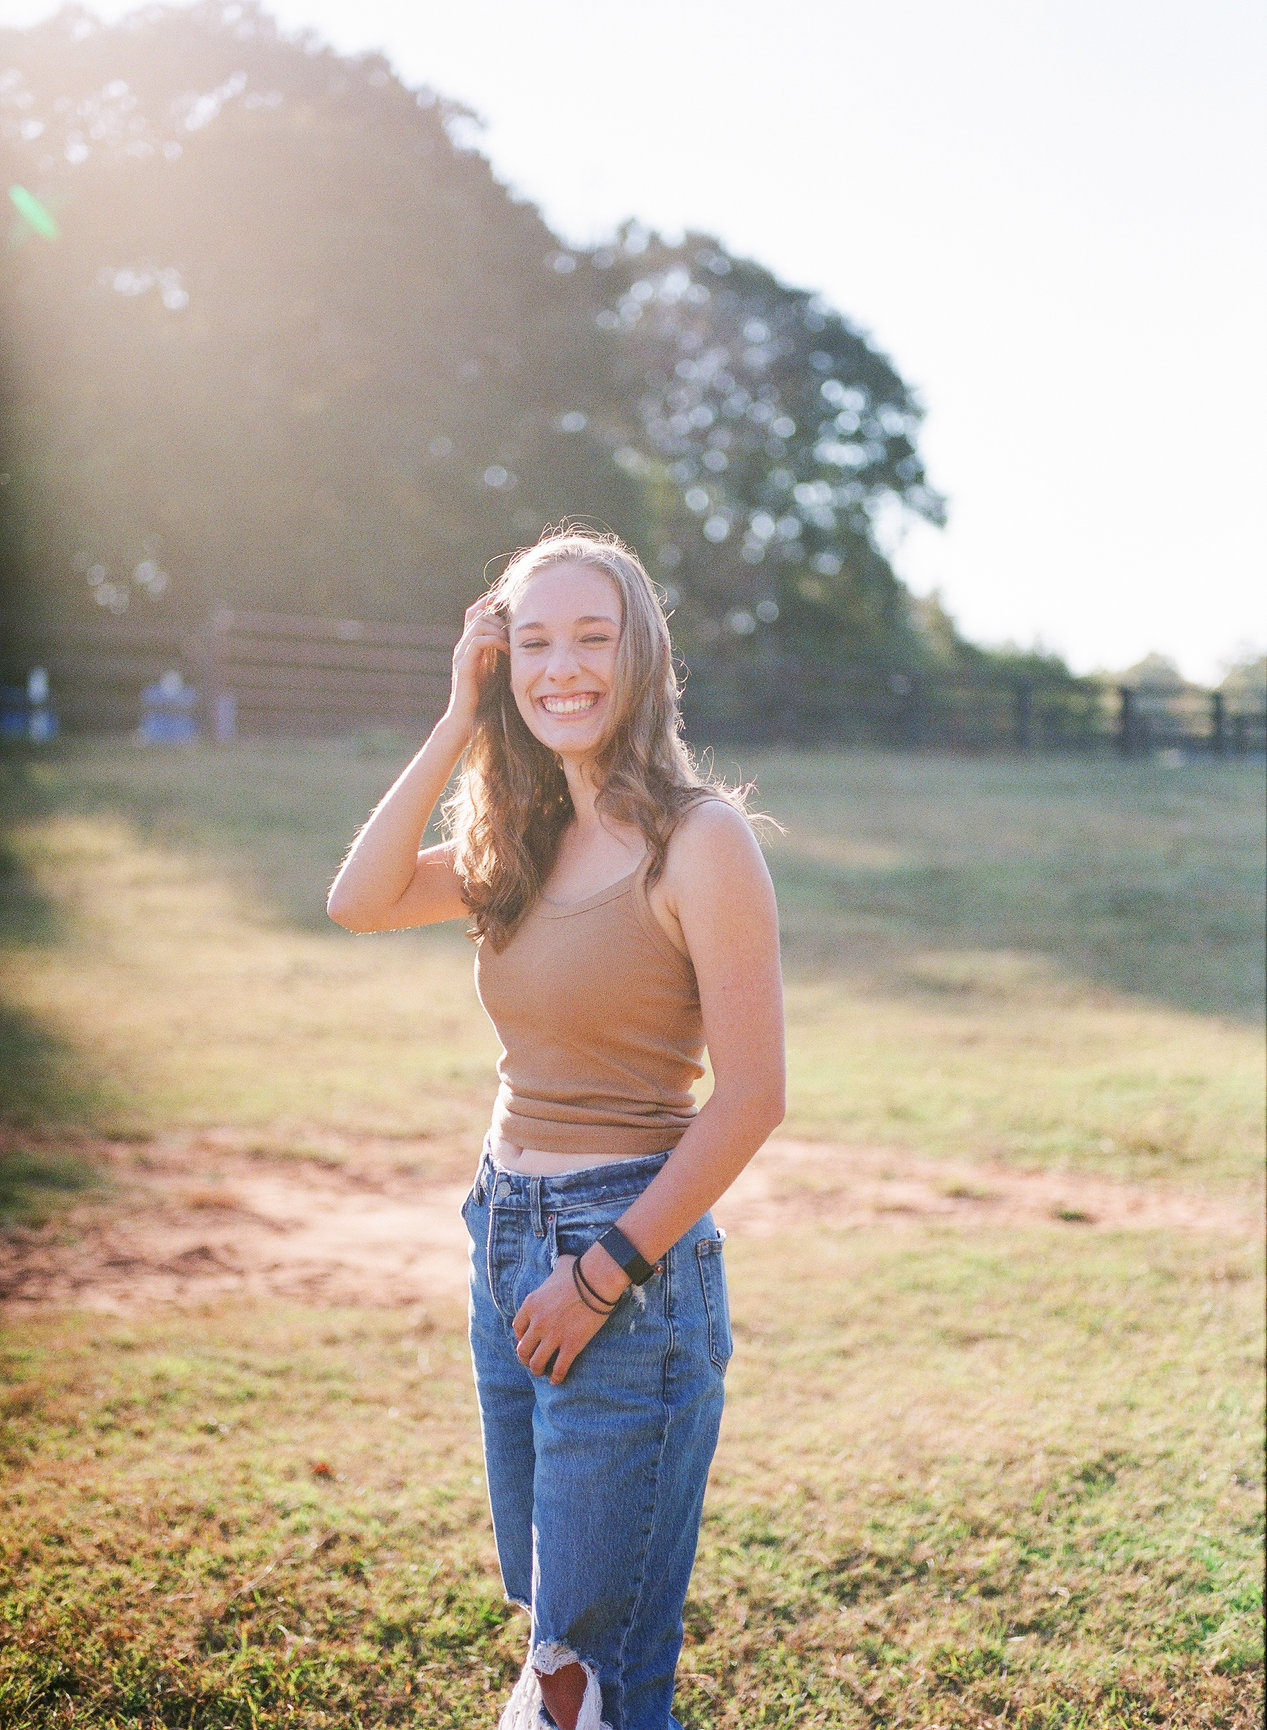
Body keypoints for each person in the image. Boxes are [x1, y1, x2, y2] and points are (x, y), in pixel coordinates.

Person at [327, 528, 785, 1730]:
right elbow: (357, 898)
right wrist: (455, 722)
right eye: (532, 642)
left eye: (592, 637)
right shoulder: (512, 842)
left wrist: (598, 1273)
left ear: (642, 655)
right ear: (500, 663)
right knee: (557, 1627)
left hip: (623, 1261)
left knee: (588, 1668)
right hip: (503, 1233)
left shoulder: (702, 841)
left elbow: (750, 1097)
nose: (561, 667)